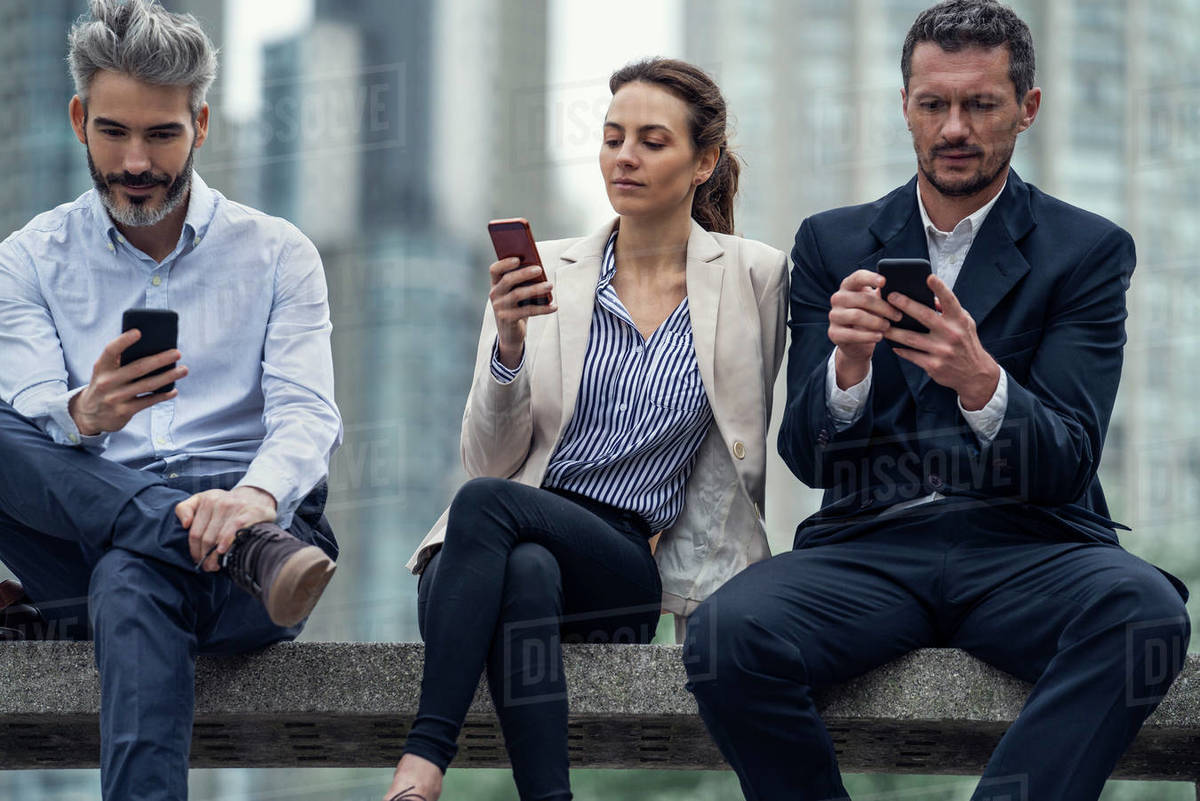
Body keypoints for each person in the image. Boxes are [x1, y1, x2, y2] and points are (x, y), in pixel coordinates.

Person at [683, 2, 1191, 800]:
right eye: (934, 104)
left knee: (1147, 614)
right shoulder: (831, 243)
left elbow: (1066, 462)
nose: (954, 127)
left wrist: (982, 383)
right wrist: (848, 366)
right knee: (724, 634)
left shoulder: (1087, 251)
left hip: (1030, 546)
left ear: (1026, 109)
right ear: (906, 107)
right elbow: (807, 458)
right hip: (869, 549)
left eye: (981, 104)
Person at [383, 58, 788, 801]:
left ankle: (421, 760)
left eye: (651, 141)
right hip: (490, 556)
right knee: (523, 557)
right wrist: (507, 344)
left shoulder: (753, 277)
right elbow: (488, 456)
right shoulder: (548, 272)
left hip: (617, 570)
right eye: (611, 138)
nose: (624, 156)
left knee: (484, 504)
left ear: (704, 162)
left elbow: (745, 442)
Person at [0, 1, 341, 799]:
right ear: (79, 118)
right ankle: (178, 532)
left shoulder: (278, 253)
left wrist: (254, 499)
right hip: (139, 539)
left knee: (128, 577)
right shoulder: (28, 258)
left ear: (202, 125)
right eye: (114, 131)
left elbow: (307, 414)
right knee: (91, 523)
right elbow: (26, 396)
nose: (136, 161)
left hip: (257, 536)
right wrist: (83, 414)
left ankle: (207, 543)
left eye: (162, 135)